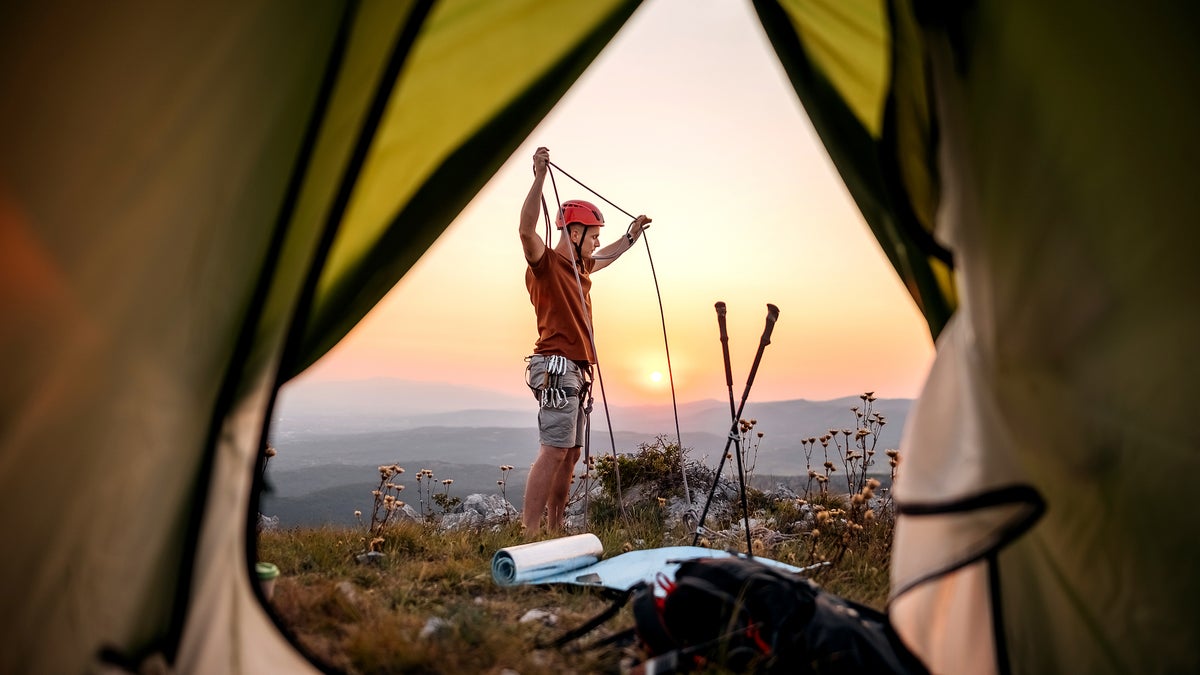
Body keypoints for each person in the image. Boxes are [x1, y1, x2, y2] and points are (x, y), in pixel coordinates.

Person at [518, 146, 650, 534]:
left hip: (574, 368)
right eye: (591, 236)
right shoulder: (547, 265)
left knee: (571, 453)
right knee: (554, 450)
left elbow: (606, 256)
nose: (594, 243)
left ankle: (555, 527)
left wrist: (630, 238)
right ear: (573, 233)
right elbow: (527, 231)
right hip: (556, 366)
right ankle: (528, 532)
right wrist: (539, 176)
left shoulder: (580, 267)